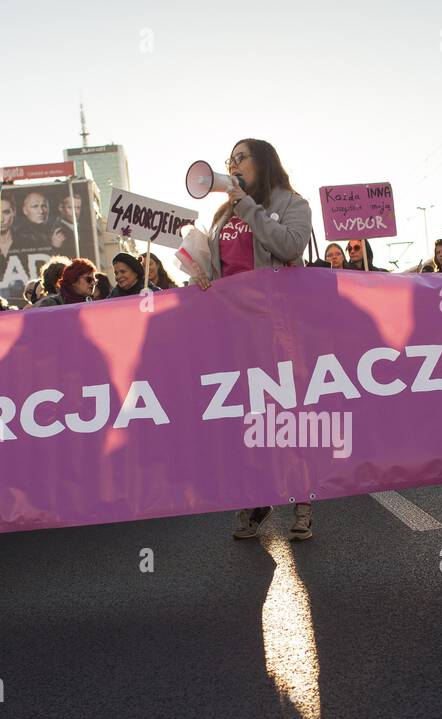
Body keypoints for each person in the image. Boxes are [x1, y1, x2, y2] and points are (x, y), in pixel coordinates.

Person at [182, 137, 315, 541]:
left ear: (263, 161)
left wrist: (246, 204)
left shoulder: (291, 203)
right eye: (230, 159)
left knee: (286, 411)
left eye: (240, 158)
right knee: (248, 414)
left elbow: (289, 244)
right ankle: (258, 496)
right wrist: (201, 273)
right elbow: (223, 266)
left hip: (276, 325)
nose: (233, 164)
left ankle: (303, 496)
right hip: (235, 328)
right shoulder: (222, 213)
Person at [32, 258, 97, 308]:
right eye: (89, 279)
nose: (93, 283)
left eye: (94, 280)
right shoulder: (50, 304)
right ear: (73, 280)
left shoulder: (92, 304)